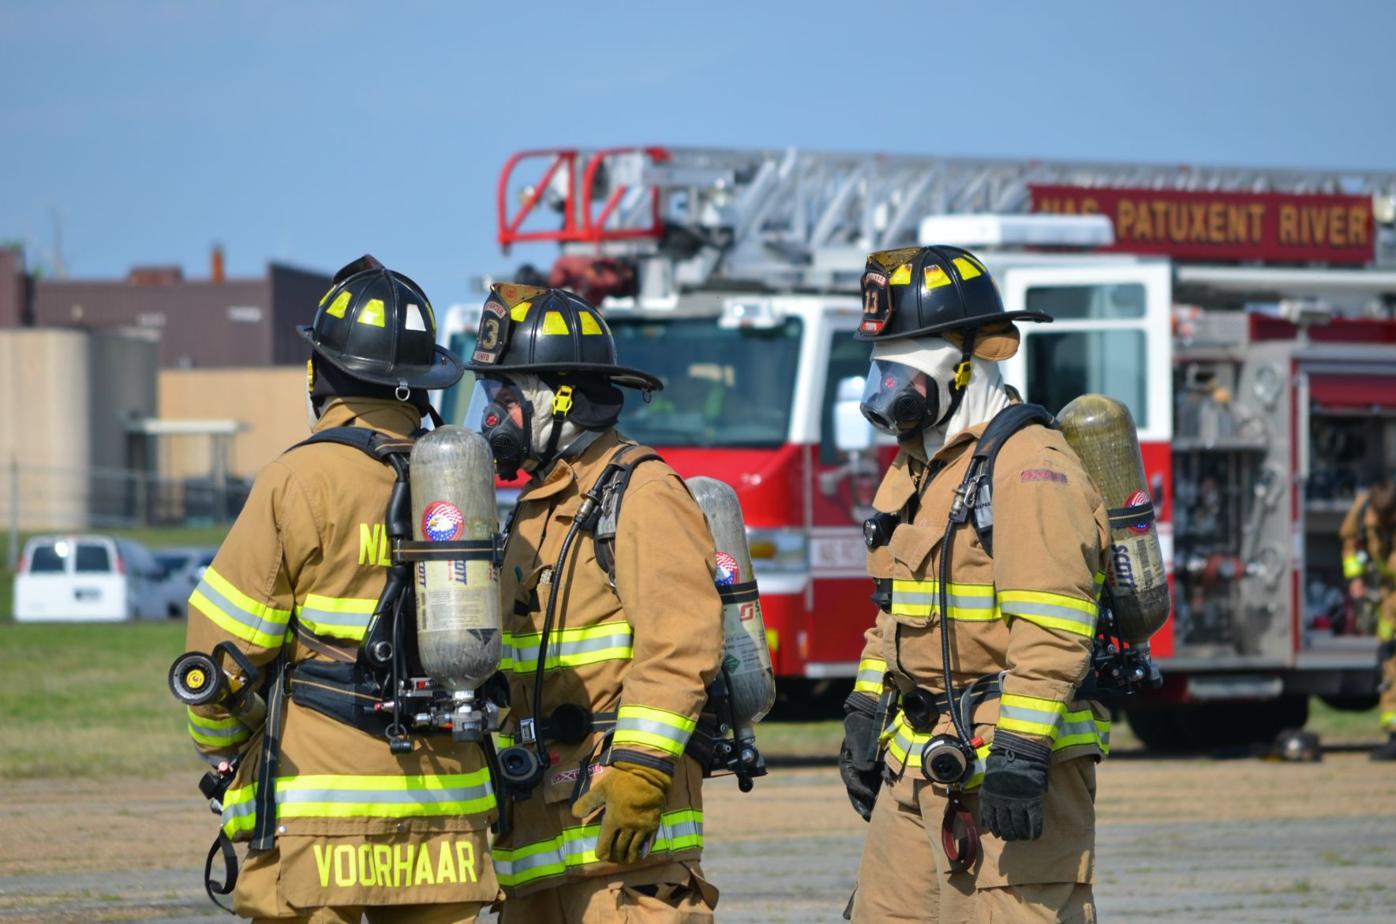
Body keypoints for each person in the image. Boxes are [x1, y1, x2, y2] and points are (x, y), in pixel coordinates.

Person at [183, 256, 500, 923]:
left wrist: (223, 749)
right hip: (447, 811)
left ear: (319, 373)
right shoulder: (460, 484)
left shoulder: (300, 480)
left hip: (320, 814)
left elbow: (223, 653)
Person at [839, 245, 1111, 922]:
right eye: (881, 367)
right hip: (918, 765)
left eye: (905, 368)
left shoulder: (1029, 467)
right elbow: (894, 610)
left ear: (970, 360)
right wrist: (866, 709)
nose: (889, 389)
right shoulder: (917, 468)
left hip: (1009, 769)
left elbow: (1053, 628)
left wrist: (1021, 751)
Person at [463, 284, 723, 921]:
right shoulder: (537, 506)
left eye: (506, 396)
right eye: (489, 396)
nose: (492, 417)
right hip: (538, 845)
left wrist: (641, 769)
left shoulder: (642, 493)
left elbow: (681, 644)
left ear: (561, 399)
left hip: (622, 844)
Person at [1339, 481, 1396, 760]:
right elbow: (1349, 539)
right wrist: (1355, 577)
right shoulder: (1364, 509)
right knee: (1390, 660)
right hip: (1388, 594)